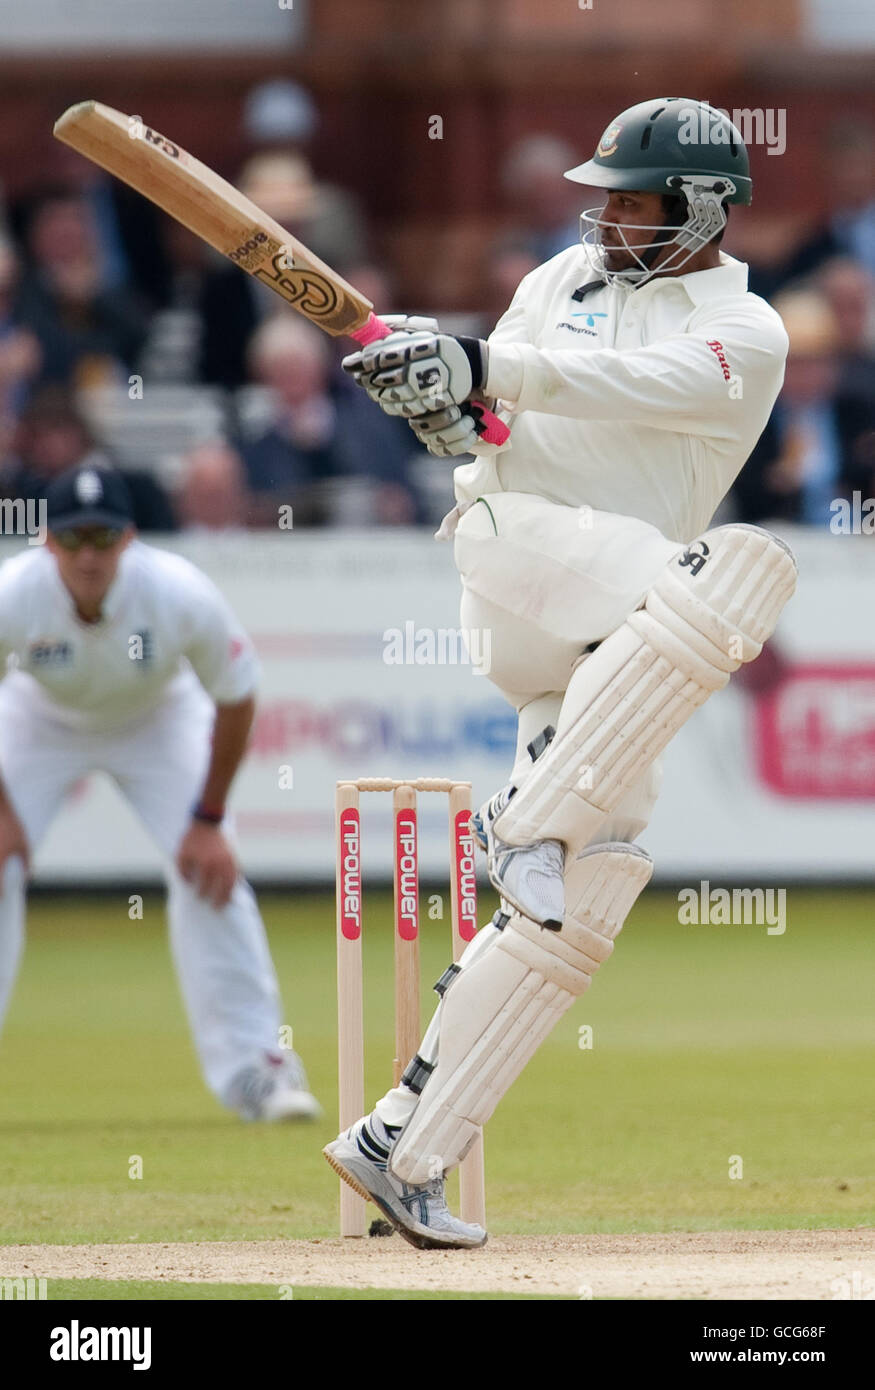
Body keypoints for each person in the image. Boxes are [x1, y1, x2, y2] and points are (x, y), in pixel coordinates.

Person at [327, 98, 798, 1248]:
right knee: (722, 581)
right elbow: (497, 421)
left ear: (698, 208)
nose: (604, 215)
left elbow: (614, 391)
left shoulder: (748, 331)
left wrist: (479, 367)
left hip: (611, 644)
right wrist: (449, 404)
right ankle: (520, 823)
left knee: (588, 886)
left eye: (629, 199)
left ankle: (400, 1140)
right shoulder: (557, 280)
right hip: (515, 558)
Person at [0, 464, 320, 1122]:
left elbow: (235, 699)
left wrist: (207, 819)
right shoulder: (13, 594)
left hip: (158, 717)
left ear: (130, 538)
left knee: (212, 870)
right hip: (40, 718)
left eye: (103, 538)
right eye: (73, 539)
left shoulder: (178, 593)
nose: (89, 556)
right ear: (47, 542)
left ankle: (257, 1070)